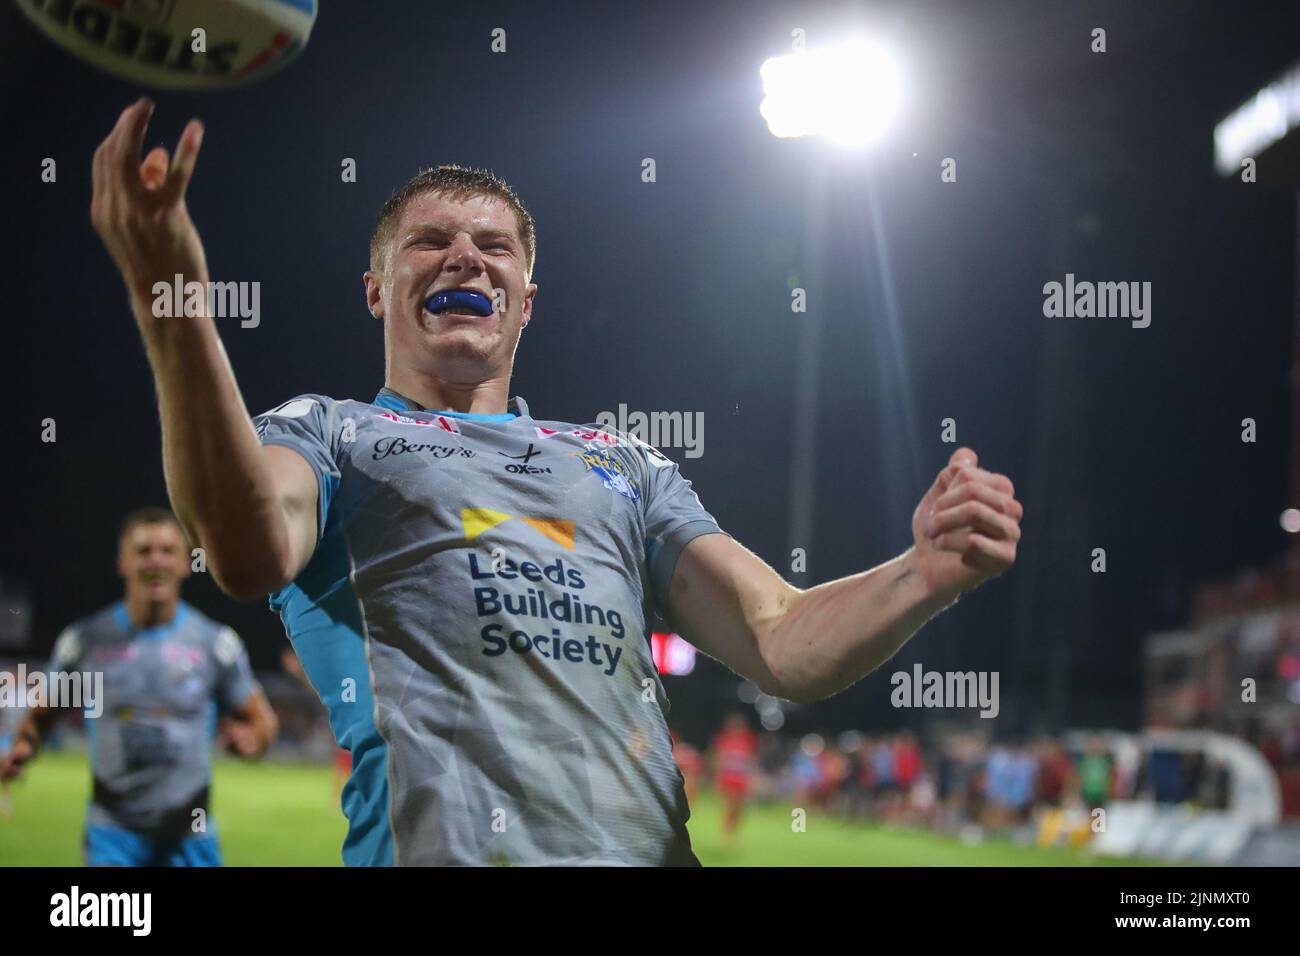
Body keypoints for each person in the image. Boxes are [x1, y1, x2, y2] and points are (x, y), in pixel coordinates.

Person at [88, 97, 1023, 865]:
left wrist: (919, 574)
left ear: (524, 301)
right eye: (429, 242)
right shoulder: (327, 433)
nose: (465, 256)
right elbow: (243, 546)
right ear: (375, 288)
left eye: (494, 246)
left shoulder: (623, 464)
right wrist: (173, 303)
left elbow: (782, 638)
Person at [0, 508, 277, 866]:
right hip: (113, 837)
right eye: (144, 551)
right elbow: (42, 718)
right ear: (123, 563)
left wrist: (253, 741)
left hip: (190, 837)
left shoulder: (214, 645)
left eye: (167, 551)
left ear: (184, 563)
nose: (156, 561)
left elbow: (263, 721)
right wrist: (23, 747)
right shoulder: (88, 643)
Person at [712, 712, 760, 846]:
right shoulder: (724, 739)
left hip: (741, 779)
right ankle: (727, 835)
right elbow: (718, 759)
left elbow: (751, 760)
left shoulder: (748, 740)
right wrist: (718, 777)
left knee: (739, 809)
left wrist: (752, 778)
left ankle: (733, 832)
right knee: (730, 806)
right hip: (728, 778)